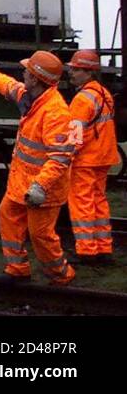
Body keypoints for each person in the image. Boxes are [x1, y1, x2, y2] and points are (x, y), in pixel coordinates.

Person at [0, 51, 75, 286]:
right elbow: (6, 85)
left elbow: (60, 158)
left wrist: (40, 186)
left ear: (36, 78)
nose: (23, 72)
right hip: (22, 183)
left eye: (27, 70)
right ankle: (17, 269)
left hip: (42, 190)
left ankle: (61, 275)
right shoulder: (30, 97)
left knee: (41, 235)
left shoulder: (56, 112)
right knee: (7, 215)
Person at [66, 49, 117, 265]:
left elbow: (75, 136)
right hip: (103, 157)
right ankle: (104, 249)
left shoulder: (82, 99)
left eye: (76, 69)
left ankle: (87, 251)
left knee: (82, 203)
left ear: (88, 72)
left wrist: (65, 158)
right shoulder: (104, 93)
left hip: (86, 160)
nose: (71, 73)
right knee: (99, 202)